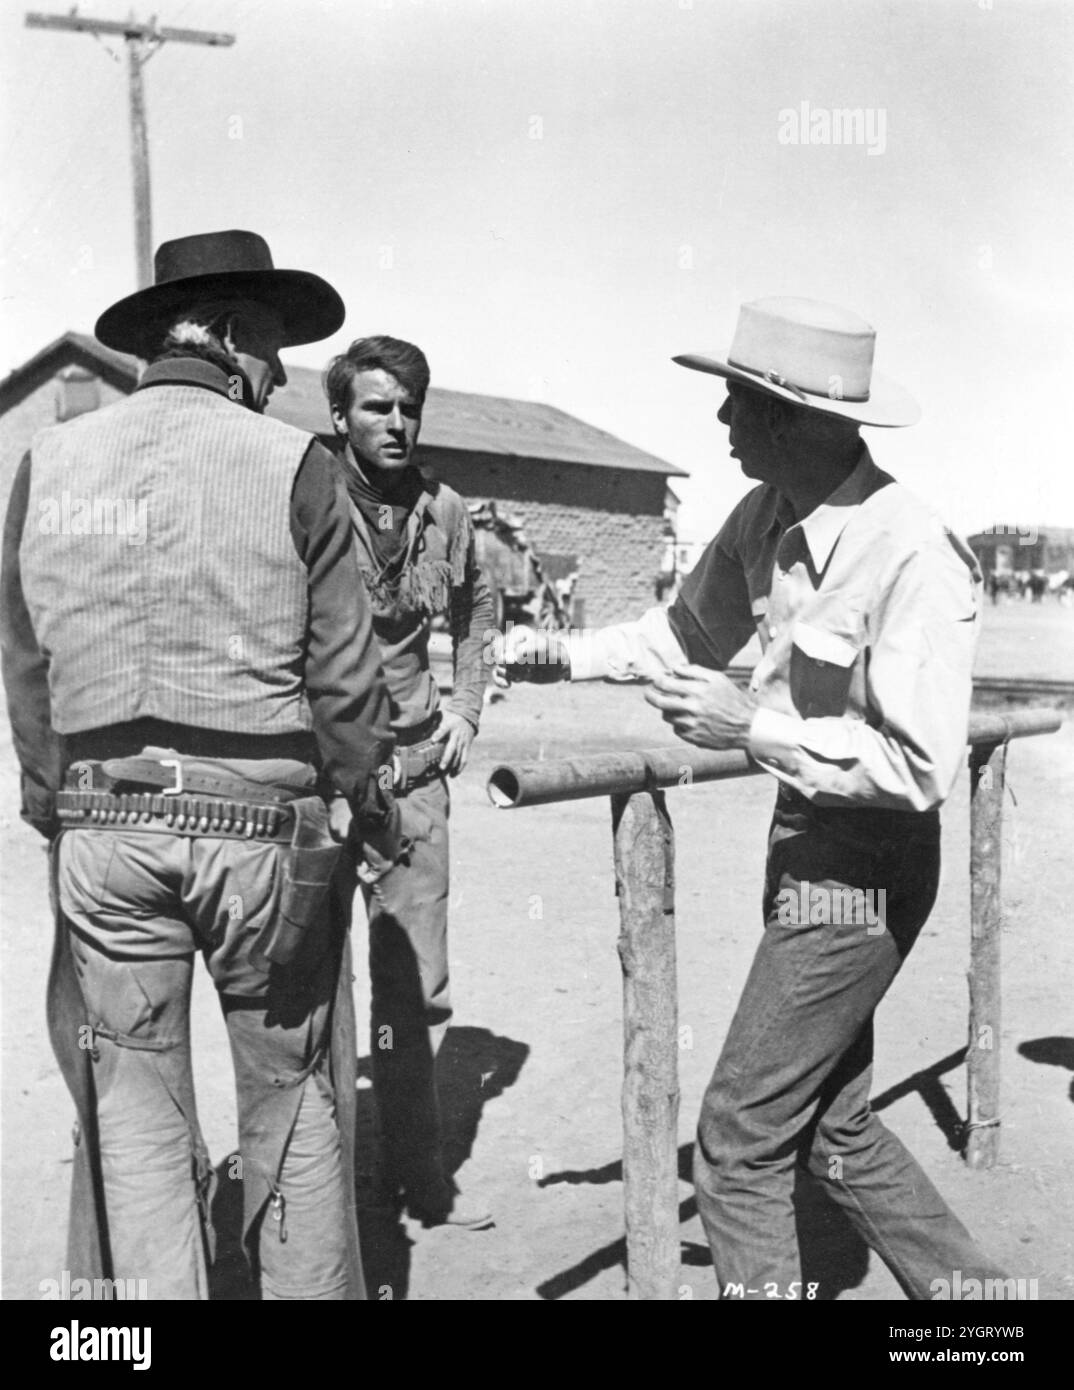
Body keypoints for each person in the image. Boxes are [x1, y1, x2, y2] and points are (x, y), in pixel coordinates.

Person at [500, 297, 1009, 1299]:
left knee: (736, 1138)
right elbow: (683, 637)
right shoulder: (765, 514)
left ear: (799, 419)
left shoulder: (911, 548)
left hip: (867, 864)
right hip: (806, 842)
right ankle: (984, 1314)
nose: (723, 424)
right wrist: (556, 653)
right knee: (832, 1123)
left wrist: (752, 727)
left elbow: (917, 768)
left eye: (738, 403)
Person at [0, 229, 405, 1300]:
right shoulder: (295, 466)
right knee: (291, 1095)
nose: (281, 377)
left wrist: (59, 810)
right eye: (274, 348)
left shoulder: (50, 463)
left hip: (101, 830)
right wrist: (364, 804)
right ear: (228, 336)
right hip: (260, 838)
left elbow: (27, 665)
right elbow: (345, 682)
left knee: (134, 1110)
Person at [325, 336, 495, 1229]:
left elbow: (478, 608)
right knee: (310, 985)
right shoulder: (308, 494)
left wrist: (466, 708)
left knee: (415, 989)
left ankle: (419, 1179)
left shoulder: (445, 508)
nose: (395, 422)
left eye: (407, 407)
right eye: (376, 407)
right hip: (321, 775)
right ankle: (323, 1196)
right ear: (340, 415)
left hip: (417, 773)